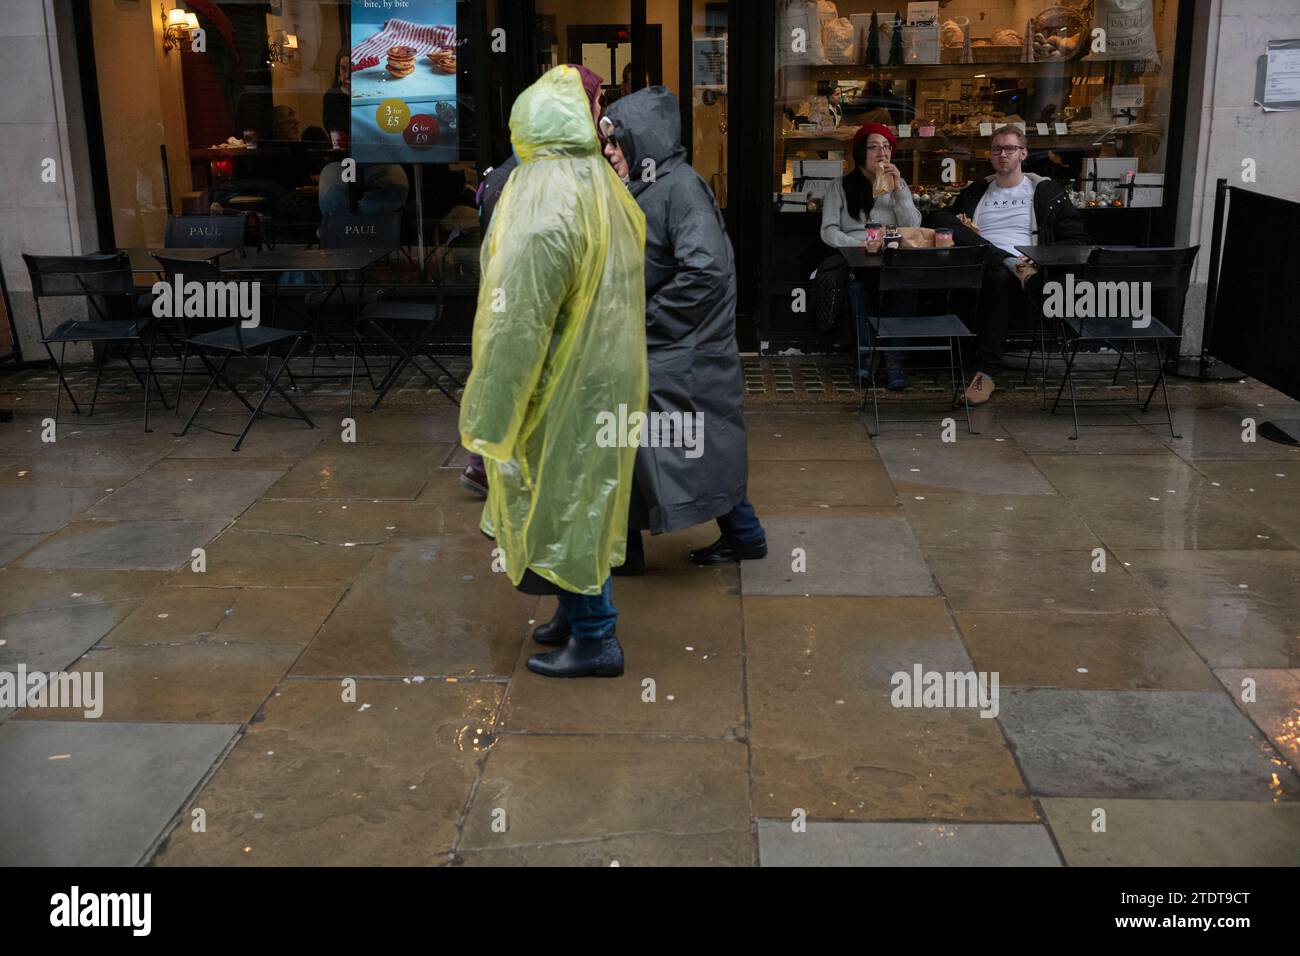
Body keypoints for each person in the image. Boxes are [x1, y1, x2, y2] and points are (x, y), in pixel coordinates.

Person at [459, 65, 646, 679]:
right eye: (597, 106)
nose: (603, 118)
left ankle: (596, 638)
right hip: (604, 370)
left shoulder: (542, 192)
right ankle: (575, 613)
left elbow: (515, 319)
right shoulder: (597, 180)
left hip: (562, 377)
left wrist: (492, 413)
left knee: (567, 499)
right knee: (582, 496)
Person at [602, 86, 766, 571]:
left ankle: (742, 534)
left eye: (616, 142)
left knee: (681, 444)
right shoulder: (655, 184)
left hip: (680, 351)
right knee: (636, 444)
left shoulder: (679, 188)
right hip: (667, 348)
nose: (608, 151)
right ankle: (627, 548)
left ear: (642, 140)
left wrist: (644, 322)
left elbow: (705, 273)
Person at [459, 66, 606, 500]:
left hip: (518, 302)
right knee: (519, 378)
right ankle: (490, 466)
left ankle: (487, 462)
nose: (601, 111)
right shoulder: (541, 174)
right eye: (596, 101)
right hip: (528, 304)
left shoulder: (528, 165)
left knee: (509, 376)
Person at [929, 124, 1088, 404]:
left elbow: (1077, 240)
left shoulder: (1046, 193)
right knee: (941, 220)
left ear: (1023, 153)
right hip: (981, 266)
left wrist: (1037, 256)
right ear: (990, 155)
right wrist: (969, 233)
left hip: (1027, 276)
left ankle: (986, 372)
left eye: (1010, 148)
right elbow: (944, 225)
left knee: (999, 278)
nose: (1003, 154)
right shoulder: (976, 192)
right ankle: (1009, 262)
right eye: (996, 149)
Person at [820, 123, 921, 391]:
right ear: (860, 152)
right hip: (856, 255)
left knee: (905, 287)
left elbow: (913, 225)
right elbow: (828, 230)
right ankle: (867, 355)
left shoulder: (899, 186)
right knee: (859, 285)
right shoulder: (840, 186)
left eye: (887, 147)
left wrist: (899, 190)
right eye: (873, 147)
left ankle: (893, 360)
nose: (882, 153)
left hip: (892, 253)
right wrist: (857, 244)